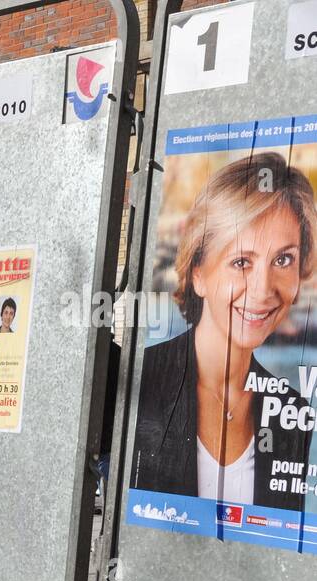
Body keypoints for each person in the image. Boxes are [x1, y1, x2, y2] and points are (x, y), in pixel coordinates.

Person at [133, 151, 317, 511]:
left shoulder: (291, 411)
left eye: (283, 260)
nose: (263, 290)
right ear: (198, 272)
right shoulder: (144, 380)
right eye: (241, 262)